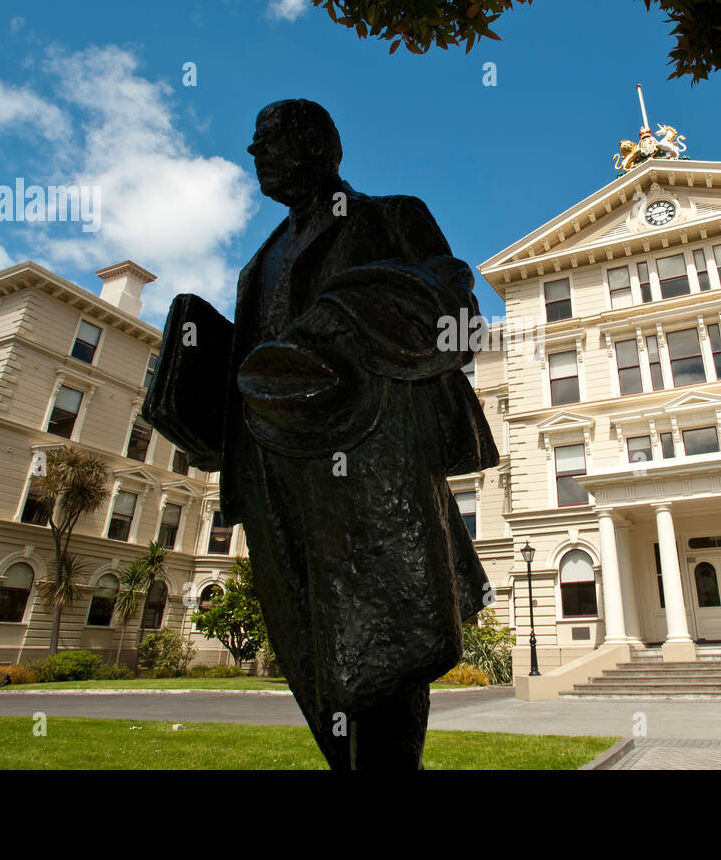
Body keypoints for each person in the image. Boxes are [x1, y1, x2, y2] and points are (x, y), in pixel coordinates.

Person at [146, 99, 497, 768]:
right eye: (253, 145)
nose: (255, 155)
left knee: (385, 649)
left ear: (314, 144)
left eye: (268, 141)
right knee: (311, 658)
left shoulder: (390, 215)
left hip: (367, 468)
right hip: (269, 476)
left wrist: (347, 315)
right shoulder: (257, 266)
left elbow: (458, 318)